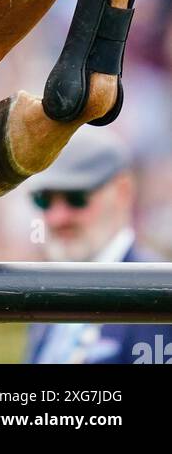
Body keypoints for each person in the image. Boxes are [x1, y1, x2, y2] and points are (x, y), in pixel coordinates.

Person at [25, 134, 172, 364]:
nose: (57, 218)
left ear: (123, 191)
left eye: (76, 198)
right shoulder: (49, 294)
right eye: (44, 200)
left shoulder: (160, 294)